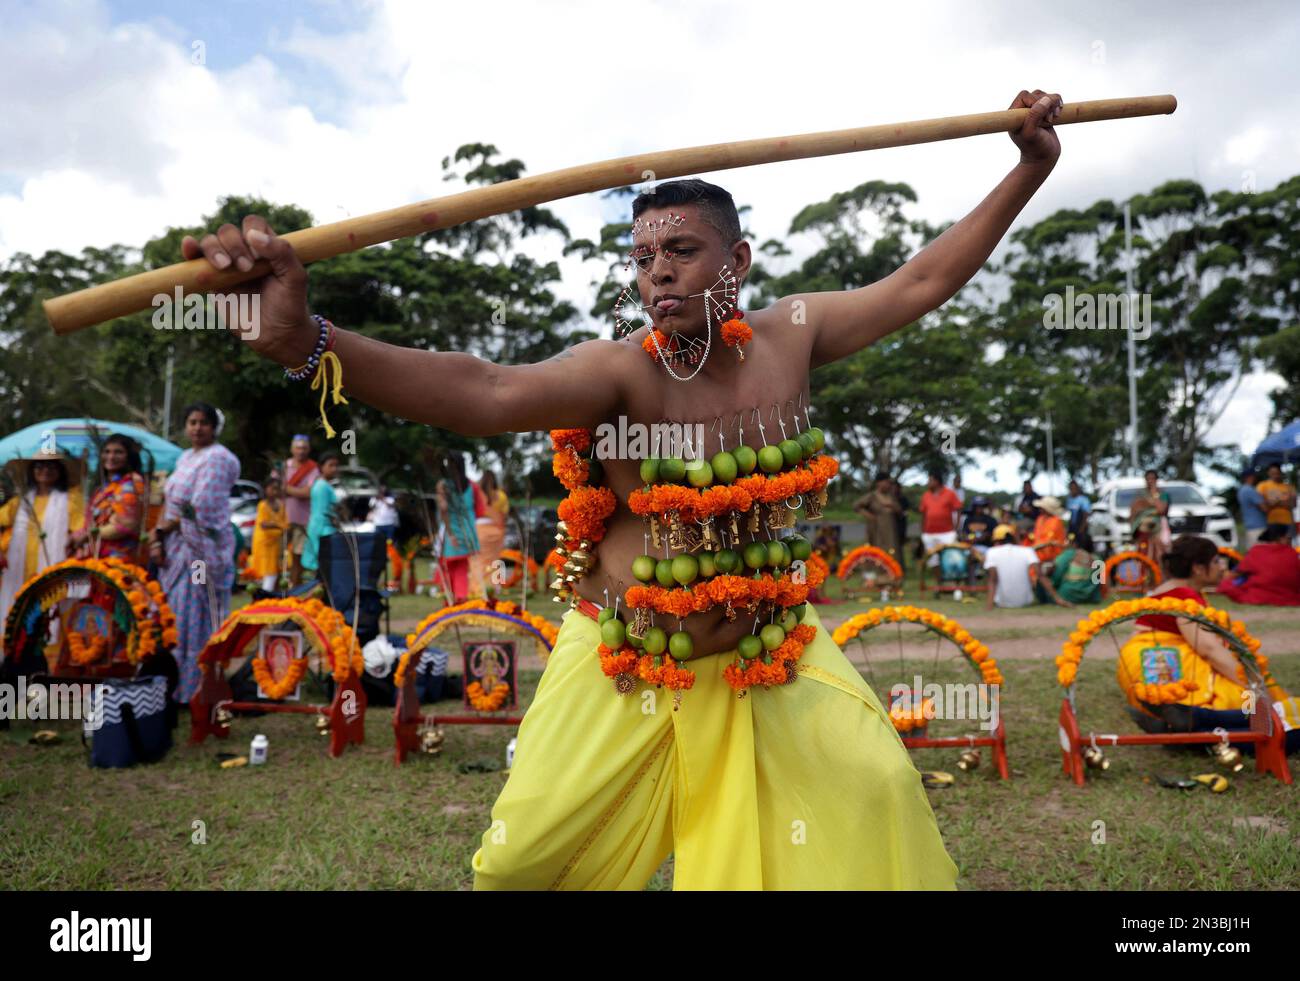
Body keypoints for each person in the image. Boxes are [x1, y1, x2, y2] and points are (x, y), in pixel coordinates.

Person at [180, 87, 1069, 889]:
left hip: (769, 650)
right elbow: (483, 390)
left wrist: (1027, 170)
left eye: (683, 250)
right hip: (624, 656)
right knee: (527, 859)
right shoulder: (616, 373)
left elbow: (924, 277)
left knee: (873, 785)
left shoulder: (793, 336)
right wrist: (311, 341)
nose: (659, 274)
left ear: (741, 259)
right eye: (644, 259)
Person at [1116, 534, 1299, 752]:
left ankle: (1184, 726)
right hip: (1169, 666)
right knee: (1244, 699)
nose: (1222, 567)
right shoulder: (1185, 597)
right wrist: (1254, 685)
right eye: (1215, 561)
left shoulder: (1168, 590)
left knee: (1260, 703)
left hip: (1143, 669)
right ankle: (1191, 726)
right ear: (1198, 569)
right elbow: (1208, 648)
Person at [150, 403, 239, 702]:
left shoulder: (220, 458)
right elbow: (171, 501)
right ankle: (172, 685)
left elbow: (201, 509)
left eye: (204, 423)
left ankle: (195, 689)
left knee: (194, 618)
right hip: (176, 547)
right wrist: (158, 538)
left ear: (215, 427)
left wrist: (169, 528)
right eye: (192, 422)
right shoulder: (186, 456)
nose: (197, 428)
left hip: (200, 551)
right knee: (172, 617)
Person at [0, 451, 88, 648]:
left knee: (49, 613)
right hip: (19, 570)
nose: (44, 471)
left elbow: (81, 529)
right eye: (39, 466)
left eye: (50, 466)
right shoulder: (20, 501)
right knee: (19, 613)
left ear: (60, 471)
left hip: (52, 566)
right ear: (32, 471)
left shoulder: (71, 499)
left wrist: (76, 538)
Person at [73, 434, 147, 563]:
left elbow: (125, 526)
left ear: (129, 456)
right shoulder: (104, 486)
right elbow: (95, 521)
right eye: (106, 452)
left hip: (120, 558)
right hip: (97, 554)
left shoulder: (131, 483)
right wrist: (76, 536)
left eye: (118, 452)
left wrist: (88, 535)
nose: (111, 457)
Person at [435, 454, 481, 604]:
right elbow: (480, 510)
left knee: (447, 566)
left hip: (452, 531)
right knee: (461, 566)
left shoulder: (444, 485)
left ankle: (449, 598)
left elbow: (443, 509)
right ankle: (460, 596)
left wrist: (449, 532)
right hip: (468, 531)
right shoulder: (472, 485)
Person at [1217, 524, 1300, 606]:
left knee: (1228, 584)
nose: (1290, 540)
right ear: (1281, 538)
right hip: (1290, 597)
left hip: (1259, 597)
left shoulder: (1257, 551)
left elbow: (1234, 574)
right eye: (1288, 537)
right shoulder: (1292, 554)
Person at [282, 435, 319, 586]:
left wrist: (287, 489)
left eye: (304, 448)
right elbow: (274, 488)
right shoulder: (284, 466)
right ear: (292, 449)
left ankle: (295, 587)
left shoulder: (313, 468)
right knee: (279, 556)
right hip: (282, 518)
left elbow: (308, 493)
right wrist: (295, 491)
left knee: (298, 556)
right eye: (298, 448)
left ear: (309, 450)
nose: (301, 451)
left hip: (303, 520)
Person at [301, 453, 341, 578]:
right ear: (321, 467)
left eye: (336, 465)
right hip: (322, 529)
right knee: (323, 568)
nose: (334, 469)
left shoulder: (324, 485)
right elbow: (322, 513)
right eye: (330, 465)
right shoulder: (322, 486)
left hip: (322, 528)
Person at [1036, 529, 1100, 606]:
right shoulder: (1098, 559)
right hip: (1090, 597)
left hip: (1067, 595)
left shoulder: (1069, 554)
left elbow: (1056, 578)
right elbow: (1098, 584)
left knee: (1041, 578)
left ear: (1074, 544)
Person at [983, 526, 1041, 609]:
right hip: (1026, 602)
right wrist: (1058, 600)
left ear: (998, 541)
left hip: (1001, 603)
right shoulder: (1027, 550)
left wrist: (989, 606)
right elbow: (1041, 575)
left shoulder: (992, 552)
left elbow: (993, 580)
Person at [471, 471, 509, 595]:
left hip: (478, 530)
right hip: (495, 532)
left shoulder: (476, 495)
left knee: (477, 560)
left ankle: (478, 587)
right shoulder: (501, 496)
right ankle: (495, 587)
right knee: (495, 561)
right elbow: (503, 516)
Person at [918, 470, 962, 568]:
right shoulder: (926, 495)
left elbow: (959, 509)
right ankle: (939, 582)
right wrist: (923, 532)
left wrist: (957, 527)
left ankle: (950, 580)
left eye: (930, 480)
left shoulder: (950, 493)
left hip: (947, 533)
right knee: (933, 561)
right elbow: (923, 514)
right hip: (929, 533)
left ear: (937, 481)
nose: (928, 483)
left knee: (949, 557)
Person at [250, 476, 287, 593]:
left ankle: (272, 596)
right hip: (264, 543)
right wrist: (280, 526)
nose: (275, 491)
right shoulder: (262, 505)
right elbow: (264, 524)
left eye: (277, 489)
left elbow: (286, 523)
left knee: (276, 571)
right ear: (266, 489)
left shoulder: (281, 505)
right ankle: (265, 596)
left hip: (276, 543)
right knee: (268, 571)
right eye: (272, 488)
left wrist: (279, 526)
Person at [1129, 469, 1171, 567]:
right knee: (1143, 552)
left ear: (1157, 480)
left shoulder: (1162, 494)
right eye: (1148, 479)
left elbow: (1161, 510)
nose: (1150, 481)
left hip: (1157, 529)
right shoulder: (1140, 494)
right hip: (1142, 529)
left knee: (1159, 552)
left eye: (1152, 479)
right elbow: (1135, 510)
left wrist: (1154, 494)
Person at [855, 473, 901, 560]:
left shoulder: (891, 496)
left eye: (889, 483)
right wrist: (868, 515)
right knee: (878, 549)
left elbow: (900, 511)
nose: (888, 485)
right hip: (877, 530)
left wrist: (893, 506)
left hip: (890, 530)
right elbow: (857, 506)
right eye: (886, 482)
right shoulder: (872, 496)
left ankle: (892, 570)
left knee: (891, 550)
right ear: (879, 483)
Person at [1256, 464, 1296, 531]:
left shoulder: (1289, 486)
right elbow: (1263, 504)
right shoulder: (1263, 485)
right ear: (1268, 473)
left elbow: (1293, 504)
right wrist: (1283, 502)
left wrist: (1276, 502)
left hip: (1288, 521)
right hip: (1272, 522)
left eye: (1277, 473)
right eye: (1273, 473)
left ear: (1280, 473)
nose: (1275, 475)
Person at [1029, 495, 1069, 562]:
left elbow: (1048, 541)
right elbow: (1036, 536)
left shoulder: (1056, 521)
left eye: (1042, 507)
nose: (1040, 509)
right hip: (1038, 554)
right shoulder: (1040, 519)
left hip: (1051, 556)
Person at [1236, 469, 1267, 549]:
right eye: (1253, 476)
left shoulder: (1242, 490)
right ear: (1249, 477)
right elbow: (1264, 508)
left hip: (1250, 526)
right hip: (1258, 526)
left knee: (1253, 553)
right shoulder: (1250, 490)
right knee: (1261, 553)